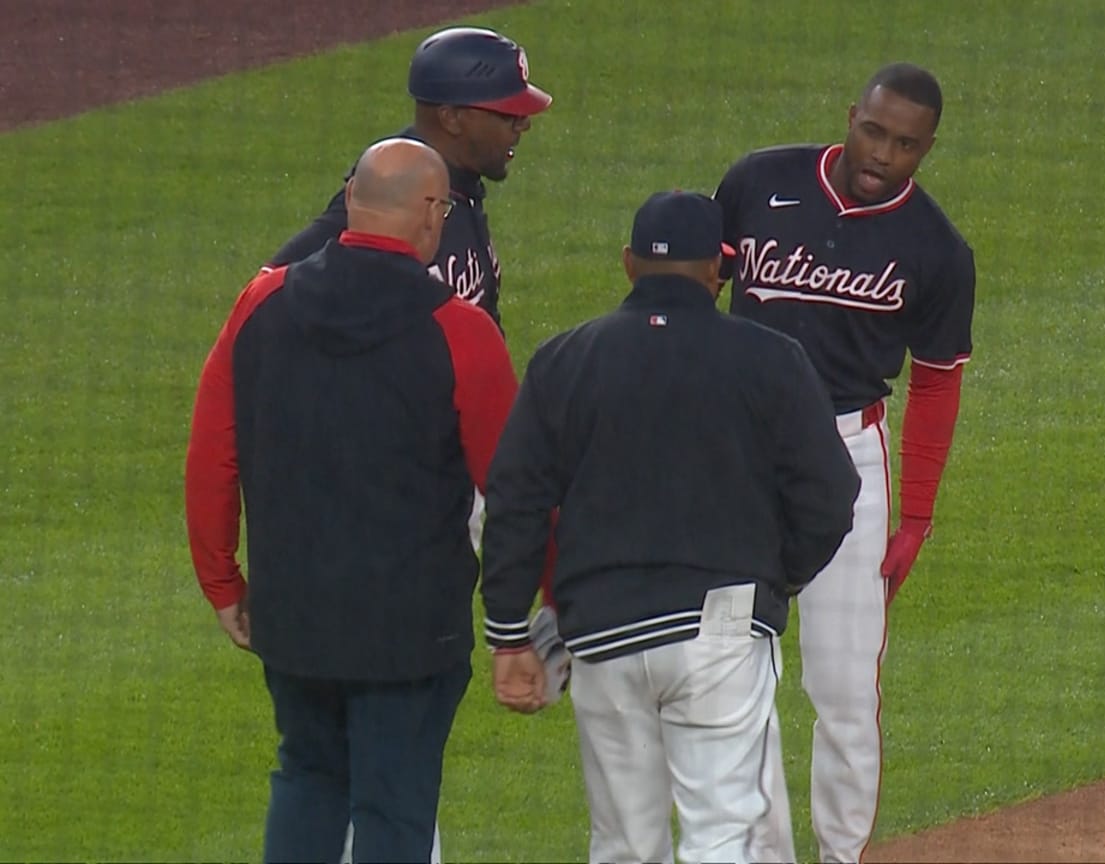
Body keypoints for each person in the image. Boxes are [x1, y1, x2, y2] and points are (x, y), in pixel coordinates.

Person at [479, 190, 861, 863]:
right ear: (720, 269)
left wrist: (509, 632)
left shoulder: (566, 360)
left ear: (627, 263)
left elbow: (515, 499)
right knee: (722, 834)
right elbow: (831, 495)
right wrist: (779, 576)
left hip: (601, 632)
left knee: (625, 845)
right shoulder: (770, 358)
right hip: (720, 629)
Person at [185, 137, 517, 862]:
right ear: (432, 213)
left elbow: (213, 452)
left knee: (306, 778)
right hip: (411, 628)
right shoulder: (462, 330)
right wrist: (525, 617)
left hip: (294, 614)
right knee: (394, 807)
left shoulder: (262, 299)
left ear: (352, 202)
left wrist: (223, 580)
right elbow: (514, 490)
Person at [712, 62, 976, 861]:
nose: (883, 154)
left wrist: (918, 515)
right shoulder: (760, 181)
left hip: (849, 458)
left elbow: (935, 387)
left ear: (927, 149)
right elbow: (688, 297)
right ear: (850, 115)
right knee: (730, 677)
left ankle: (841, 855)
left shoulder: (936, 249)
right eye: (874, 130)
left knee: (845, 690)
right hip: (739, 452)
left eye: (905, 144)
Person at [265, 25, 553, 331]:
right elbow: (267, 288)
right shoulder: (389, 197)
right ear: (452, 118)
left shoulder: (463, 185)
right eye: (508, 115)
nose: (523, 125)